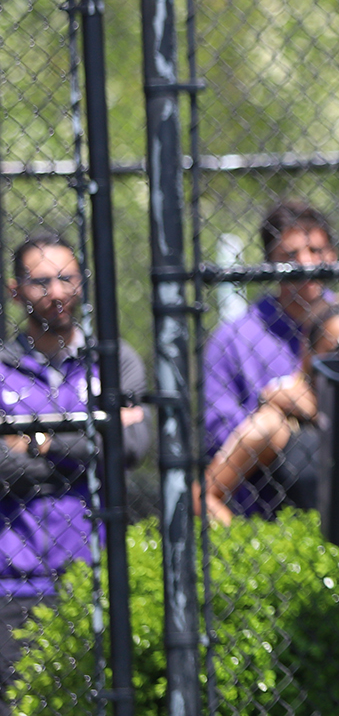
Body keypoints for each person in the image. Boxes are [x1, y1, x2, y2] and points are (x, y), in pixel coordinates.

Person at [1, 235, 149, 693]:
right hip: (12, 584)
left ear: (82, 282)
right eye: (41, 281)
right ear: (15, 289)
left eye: (66, 278)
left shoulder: (113, 360)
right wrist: (87, 447)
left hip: (98, 577)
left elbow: (131, 446)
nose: (56, 292)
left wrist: (37, 442)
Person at [202, 200, 339, 486]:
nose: (305, 264)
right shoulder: (233, 339)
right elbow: (215, 430)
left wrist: (318, 411)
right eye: (290, 255)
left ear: (332, 255)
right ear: (270, 264)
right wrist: (270, 409)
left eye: (316, 251)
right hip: (259, 500)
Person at [201, 301, 339, 525]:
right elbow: (204, 496)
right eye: (336, 352)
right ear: (307, 353)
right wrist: (244, 545)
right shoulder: (275, 421)